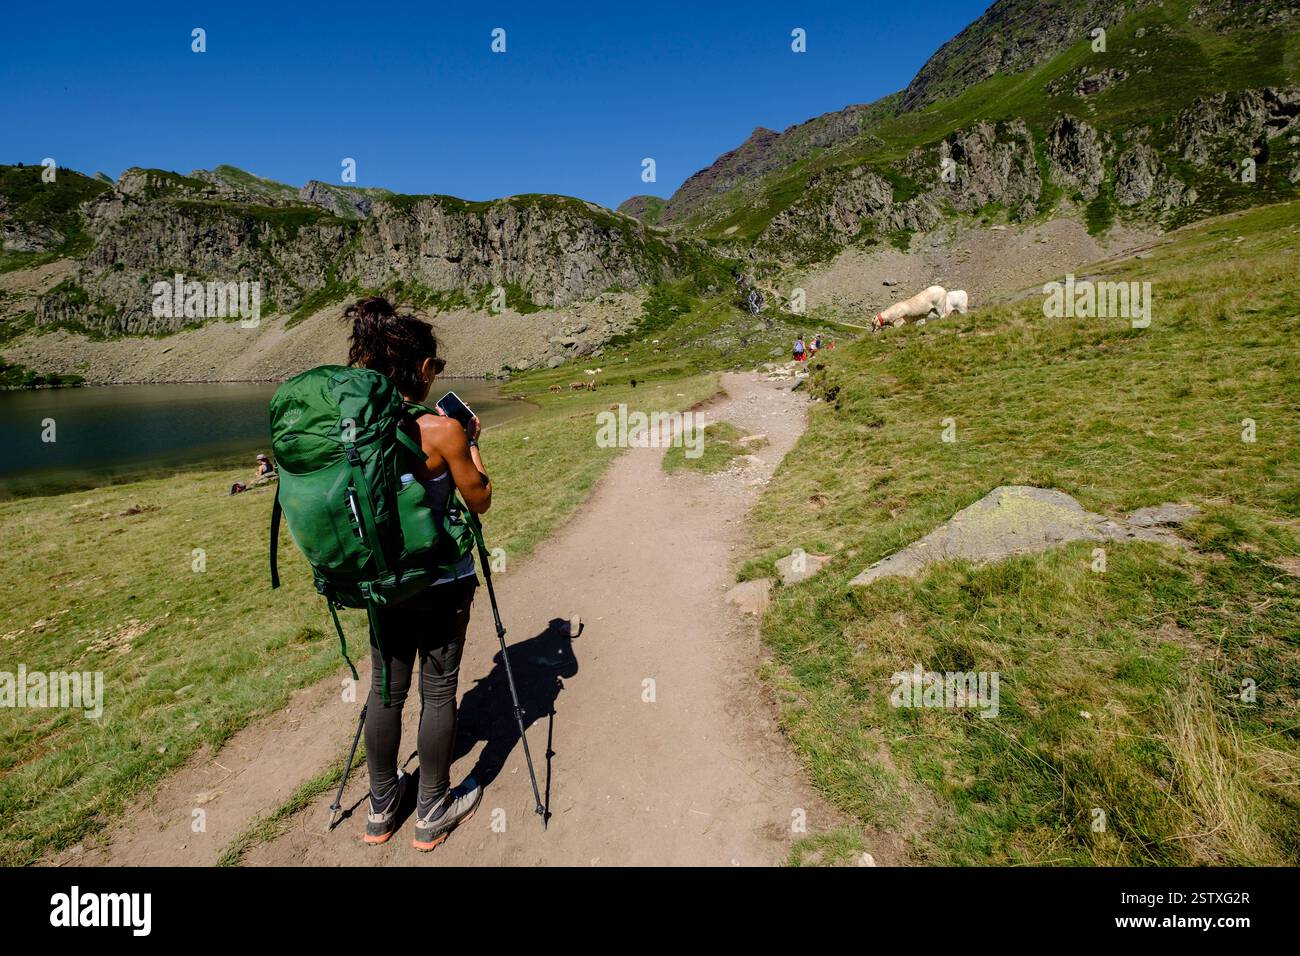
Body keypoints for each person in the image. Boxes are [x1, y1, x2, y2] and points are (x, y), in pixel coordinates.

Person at [345, 295, 493, 851]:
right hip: (440, 583)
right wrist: (471, 443)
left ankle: (381, 807)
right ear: (425, 369)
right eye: (438, 367)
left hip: (381, 583)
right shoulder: (441, 429)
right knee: (437, 691)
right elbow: (478, 501)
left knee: (385, 689)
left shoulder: (355, 429)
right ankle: (433, 808)